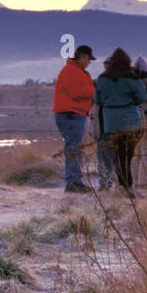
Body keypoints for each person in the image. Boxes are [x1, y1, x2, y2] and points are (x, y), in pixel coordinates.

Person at [93, 48, 147, 193]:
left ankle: (124, 185)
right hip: (131, 121)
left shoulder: (102, 79)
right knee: (128, 155)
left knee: (118, 155)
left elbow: (97, 100)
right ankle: (128, 186)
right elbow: (142, 98)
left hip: (111, 123)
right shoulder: (131, 78)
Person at [52, 44, 95, 192]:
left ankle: (75, 180)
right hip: (71, 114)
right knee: (73, 148)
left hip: (70, 114)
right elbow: (78, 92)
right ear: (82, 57)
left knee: (74, 147)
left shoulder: (73, 70)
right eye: (89, 59)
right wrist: (94, 90)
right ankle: (73, 182)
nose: (89, 63)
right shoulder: (73, 71)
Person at [92, 55, 116, 190]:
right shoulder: (125, 81)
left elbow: (96, 100)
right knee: (117, 156)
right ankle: (119, 183)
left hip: (105, 125)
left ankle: (105, 182)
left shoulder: (101, 81)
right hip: (118, 126)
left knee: (104, 156)